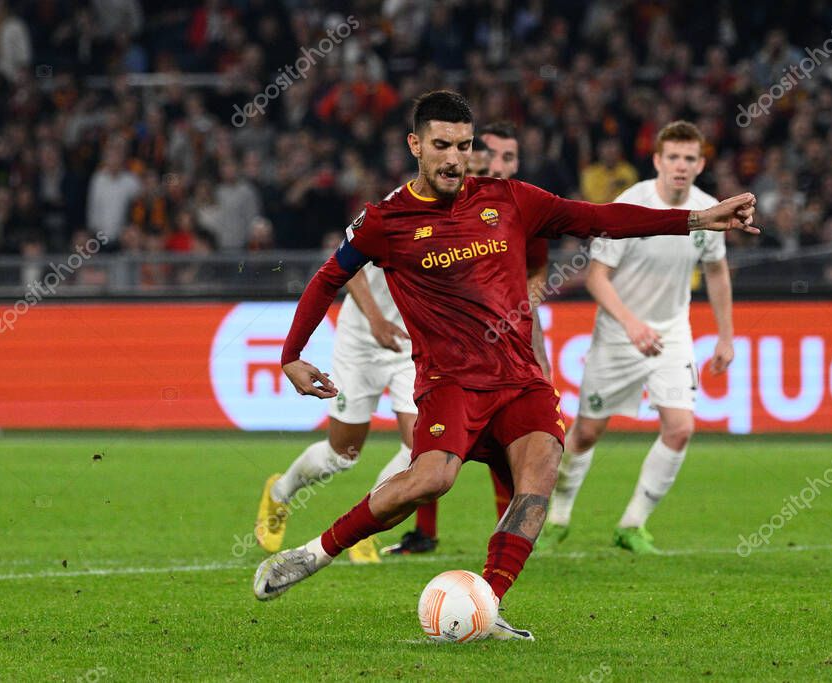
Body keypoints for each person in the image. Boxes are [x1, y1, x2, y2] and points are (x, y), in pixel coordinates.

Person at [252, 91, 757, 641]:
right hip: (451, 382)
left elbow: (599, 217)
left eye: (464, 147)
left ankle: (486, 603)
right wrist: (292, 355)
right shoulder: (386, 220)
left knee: (539, 476)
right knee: (431, 480)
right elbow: (329, 276)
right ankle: (315, 552)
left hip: (519, 381)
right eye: (441, 145)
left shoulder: (510, 199)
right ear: (415, 145)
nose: (453, 158)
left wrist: (700, 218)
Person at [538, 121, 736, 555]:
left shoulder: (707, 211)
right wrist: (631, 324)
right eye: (673, 158)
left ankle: (632, 524)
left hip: (671, 334)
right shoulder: (631, 205)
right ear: (657, 161)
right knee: (587, 433)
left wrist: (726, 335)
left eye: (689, 159)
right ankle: (559, 514)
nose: (681, 166)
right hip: (618, 335)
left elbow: (717, 270)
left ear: (700, 164)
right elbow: (597, 276)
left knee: (680, 428)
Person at [381, 120, 552, 555]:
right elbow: (351, 262)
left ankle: (502, 539)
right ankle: (420, 530)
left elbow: (535, 273)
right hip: (428, 342)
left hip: (502, 347)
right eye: (491, 155)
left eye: (510, 157)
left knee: (510, 445)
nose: (500, 165)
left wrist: (530, 334)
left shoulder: (521, 207)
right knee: (423, 450)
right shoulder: (421, 204)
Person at [254, 255, 417, 564]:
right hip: (360, 343)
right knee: (343, 455)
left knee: (419, 448)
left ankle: (363, 528)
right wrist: (376, 319)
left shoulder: (460, 219)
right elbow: (349, 265)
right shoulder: (390, 212)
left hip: (408, 344)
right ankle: (280, 493)